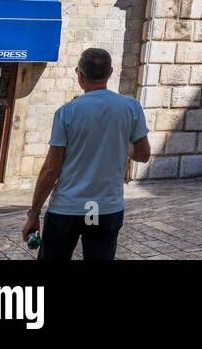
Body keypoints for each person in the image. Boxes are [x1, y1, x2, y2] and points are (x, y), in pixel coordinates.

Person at [22, 48, 150, 261]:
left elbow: (51, 168)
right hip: (105, 207)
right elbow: (143, 155)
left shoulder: (67, 112)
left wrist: (33, 214)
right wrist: (123, 147)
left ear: (79, 75)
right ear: (109, 73)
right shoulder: (131, 108)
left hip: (67, 208)